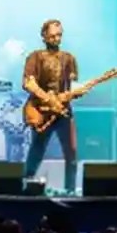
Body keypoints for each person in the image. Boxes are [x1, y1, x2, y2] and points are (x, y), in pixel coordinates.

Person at [21, 19, 80, 194]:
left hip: (63, 111)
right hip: (41, 111)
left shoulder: (68, 58)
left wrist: (77, 92)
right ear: (44, 36)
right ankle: (26, 186)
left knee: (71, 153)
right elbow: (28, 83)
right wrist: (48, 99)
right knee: (37, 150)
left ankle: (70, 190)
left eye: (59, 35)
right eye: (53, 35)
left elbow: (73, 84)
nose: (56, 39)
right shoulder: (35, 57)